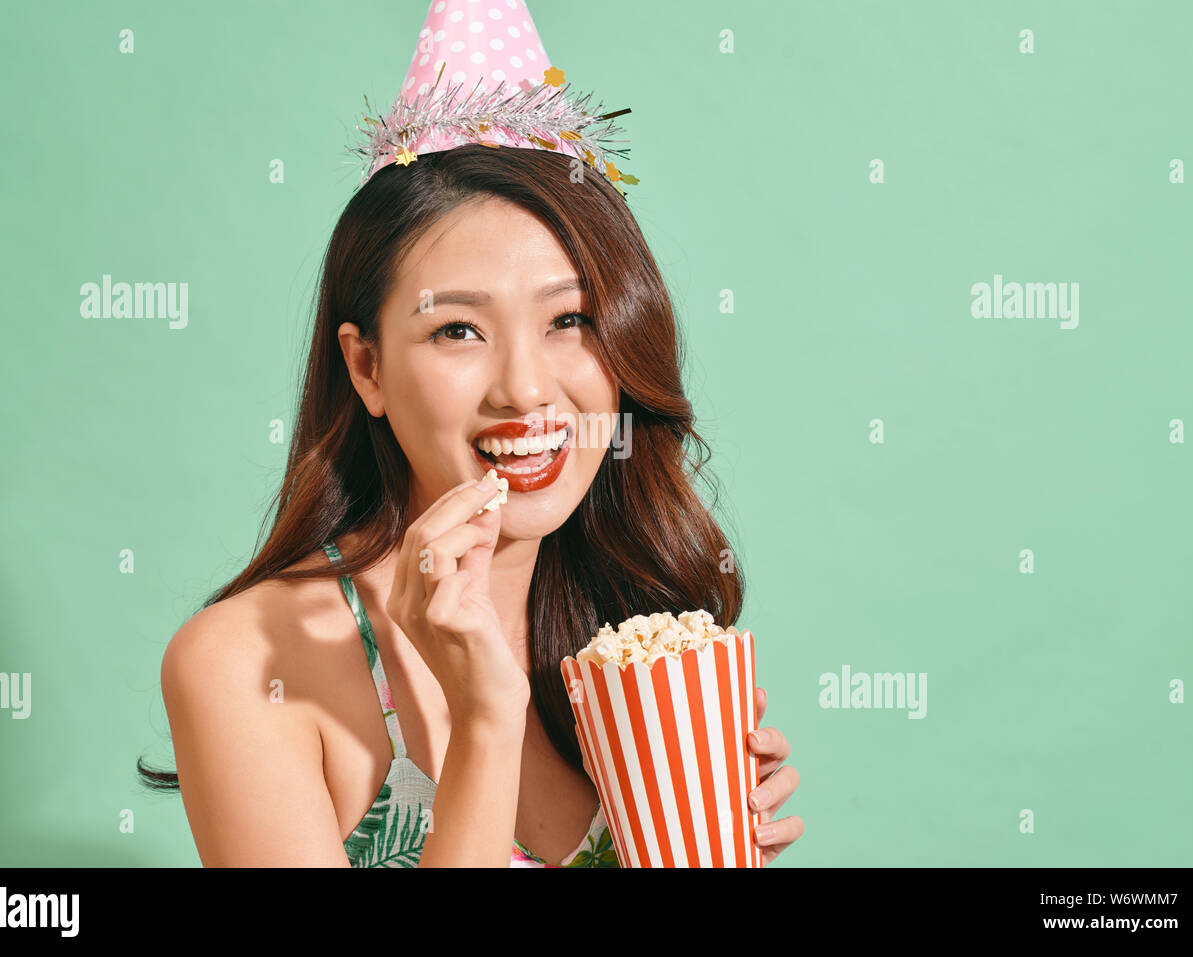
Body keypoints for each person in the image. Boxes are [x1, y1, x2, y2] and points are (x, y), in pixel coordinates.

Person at [137, 0, 802, 868]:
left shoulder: (632, 636)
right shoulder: (245, 661)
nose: (527, 389)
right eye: (458, 329)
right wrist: (484, 719)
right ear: (366, 368)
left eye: (571, 319)